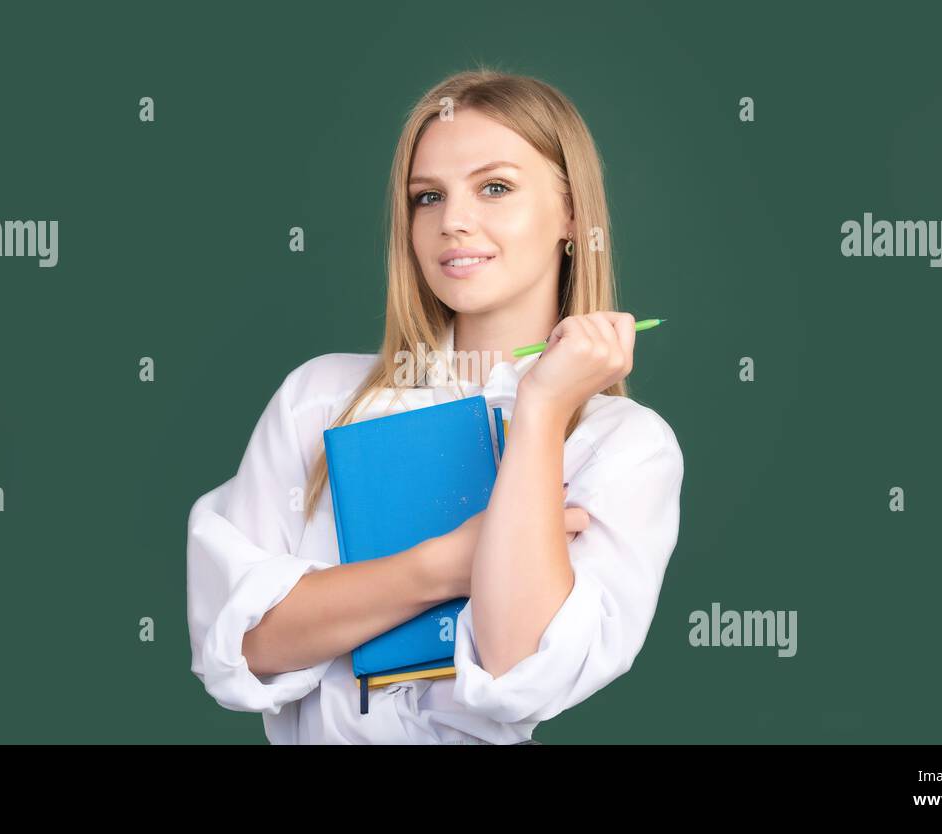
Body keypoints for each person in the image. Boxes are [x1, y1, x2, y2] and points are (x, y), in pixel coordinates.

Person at [186, 68, 684, 744]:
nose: (453, 221)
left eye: (496, 188)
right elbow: (243, 648)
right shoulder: (320, 398)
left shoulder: (623, 445)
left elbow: (519, 666)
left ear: (572, 215)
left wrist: (539, 409)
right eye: (427, 197)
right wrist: (446, 563)